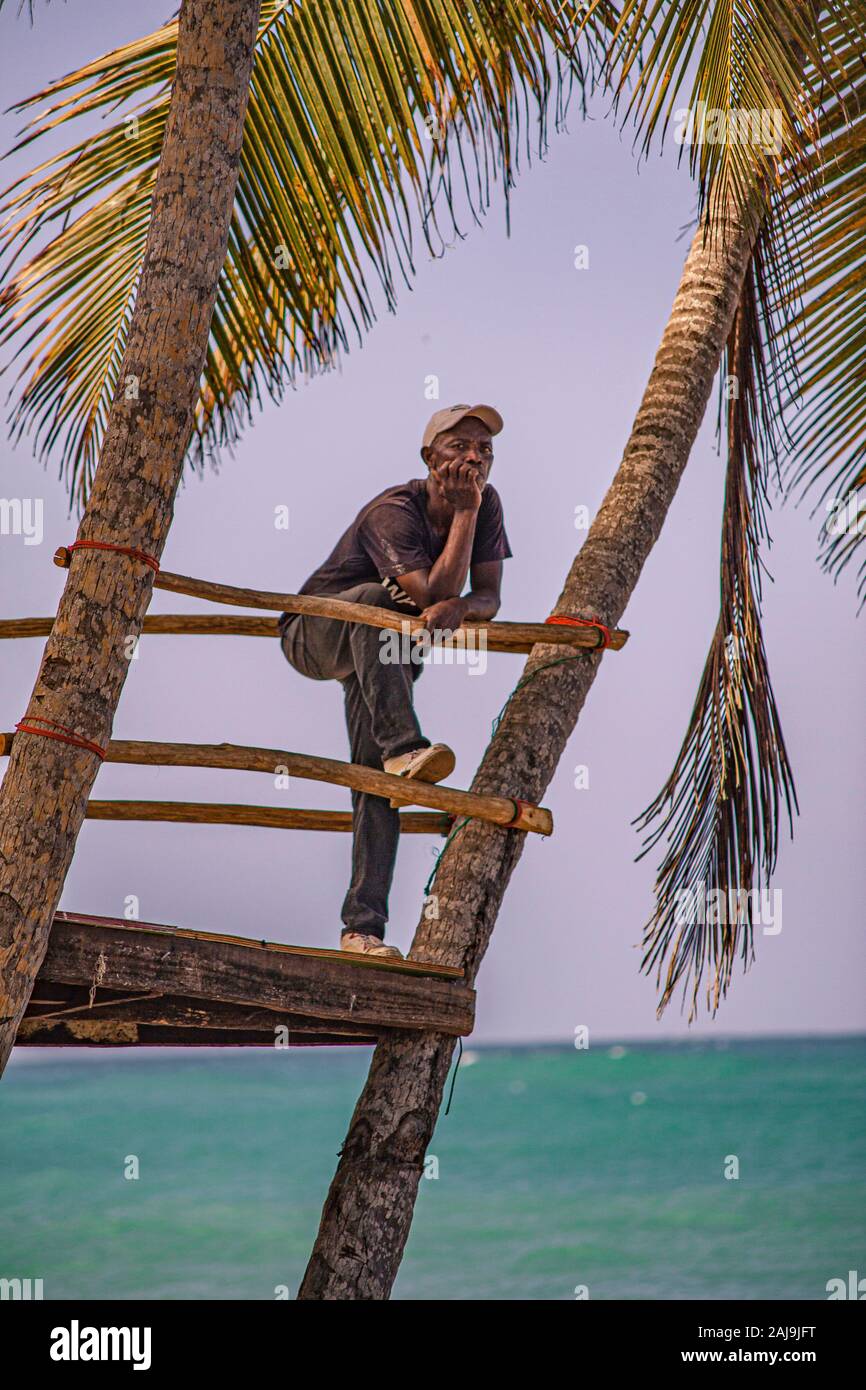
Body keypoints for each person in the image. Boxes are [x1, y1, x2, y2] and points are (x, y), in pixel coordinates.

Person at [278, 403, 512, 958]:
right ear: (429, 458)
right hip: (315, 634)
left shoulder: (487, 503)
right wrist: (462, 521)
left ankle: (363, 930)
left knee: (378, 785)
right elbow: (429, 595)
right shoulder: (393, 511)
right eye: (459, 447)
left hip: (383, 655)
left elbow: (490, 597)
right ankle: (405, 745)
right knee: (378, 603)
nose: (474, 457)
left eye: (485, 449)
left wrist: (462, 604)